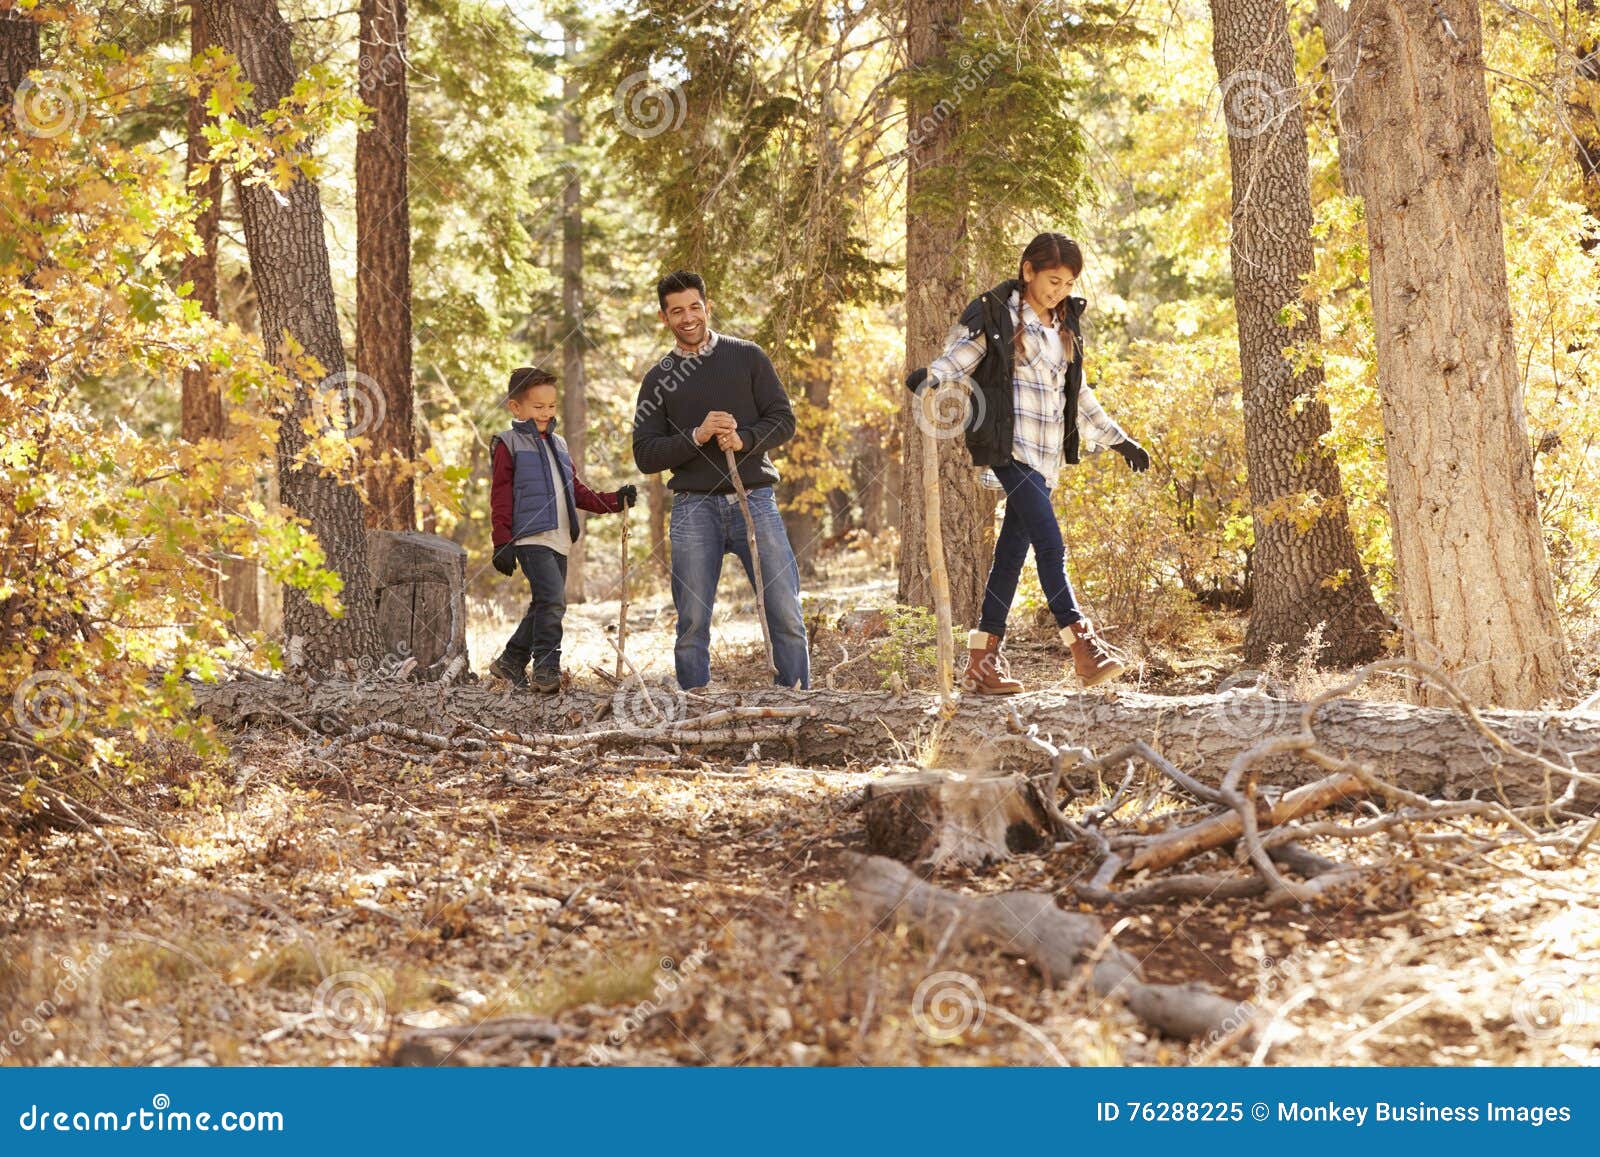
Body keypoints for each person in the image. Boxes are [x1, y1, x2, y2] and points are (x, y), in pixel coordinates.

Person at [906, 232, 1149, 694]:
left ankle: (981, 665)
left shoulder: (1066, 325)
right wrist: (933, 376)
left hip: (1047, 455)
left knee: (1011, 556)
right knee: (1050, 544)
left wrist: (1120, 441)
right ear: (1028, 271)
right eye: (1053, 280)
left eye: (1068, 282)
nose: (1059, 290)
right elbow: (963, 354)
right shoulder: (997, 313)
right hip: (1008, 448)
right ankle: (1083, 646)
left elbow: (1078, 393)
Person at [632, 270, 809, 690]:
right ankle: (696, 709)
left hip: (755, 500)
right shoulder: (658, 379)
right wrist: (697, 434)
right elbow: (645, 454)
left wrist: (744, 438)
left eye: (695, 307)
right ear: (664, 318)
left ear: (707, 307)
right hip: (694, 507)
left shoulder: (747, 356)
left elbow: (784, 421)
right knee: (692, 621)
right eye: (677, 311)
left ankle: (797, 700)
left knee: (784, 608)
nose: (688, 317)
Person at [488, 367, 637, 693]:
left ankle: (511, 660)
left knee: (545, 602)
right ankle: (546, 669)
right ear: (516, 408)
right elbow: (500, 495)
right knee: (554, 601)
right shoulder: (508, 443)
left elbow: (577, 491)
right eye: (538, 407)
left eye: (552, 406)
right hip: (530, 537)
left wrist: (615, 500)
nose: (546, 413)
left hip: (559, 540)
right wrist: (501, 540)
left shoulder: (559, 444)